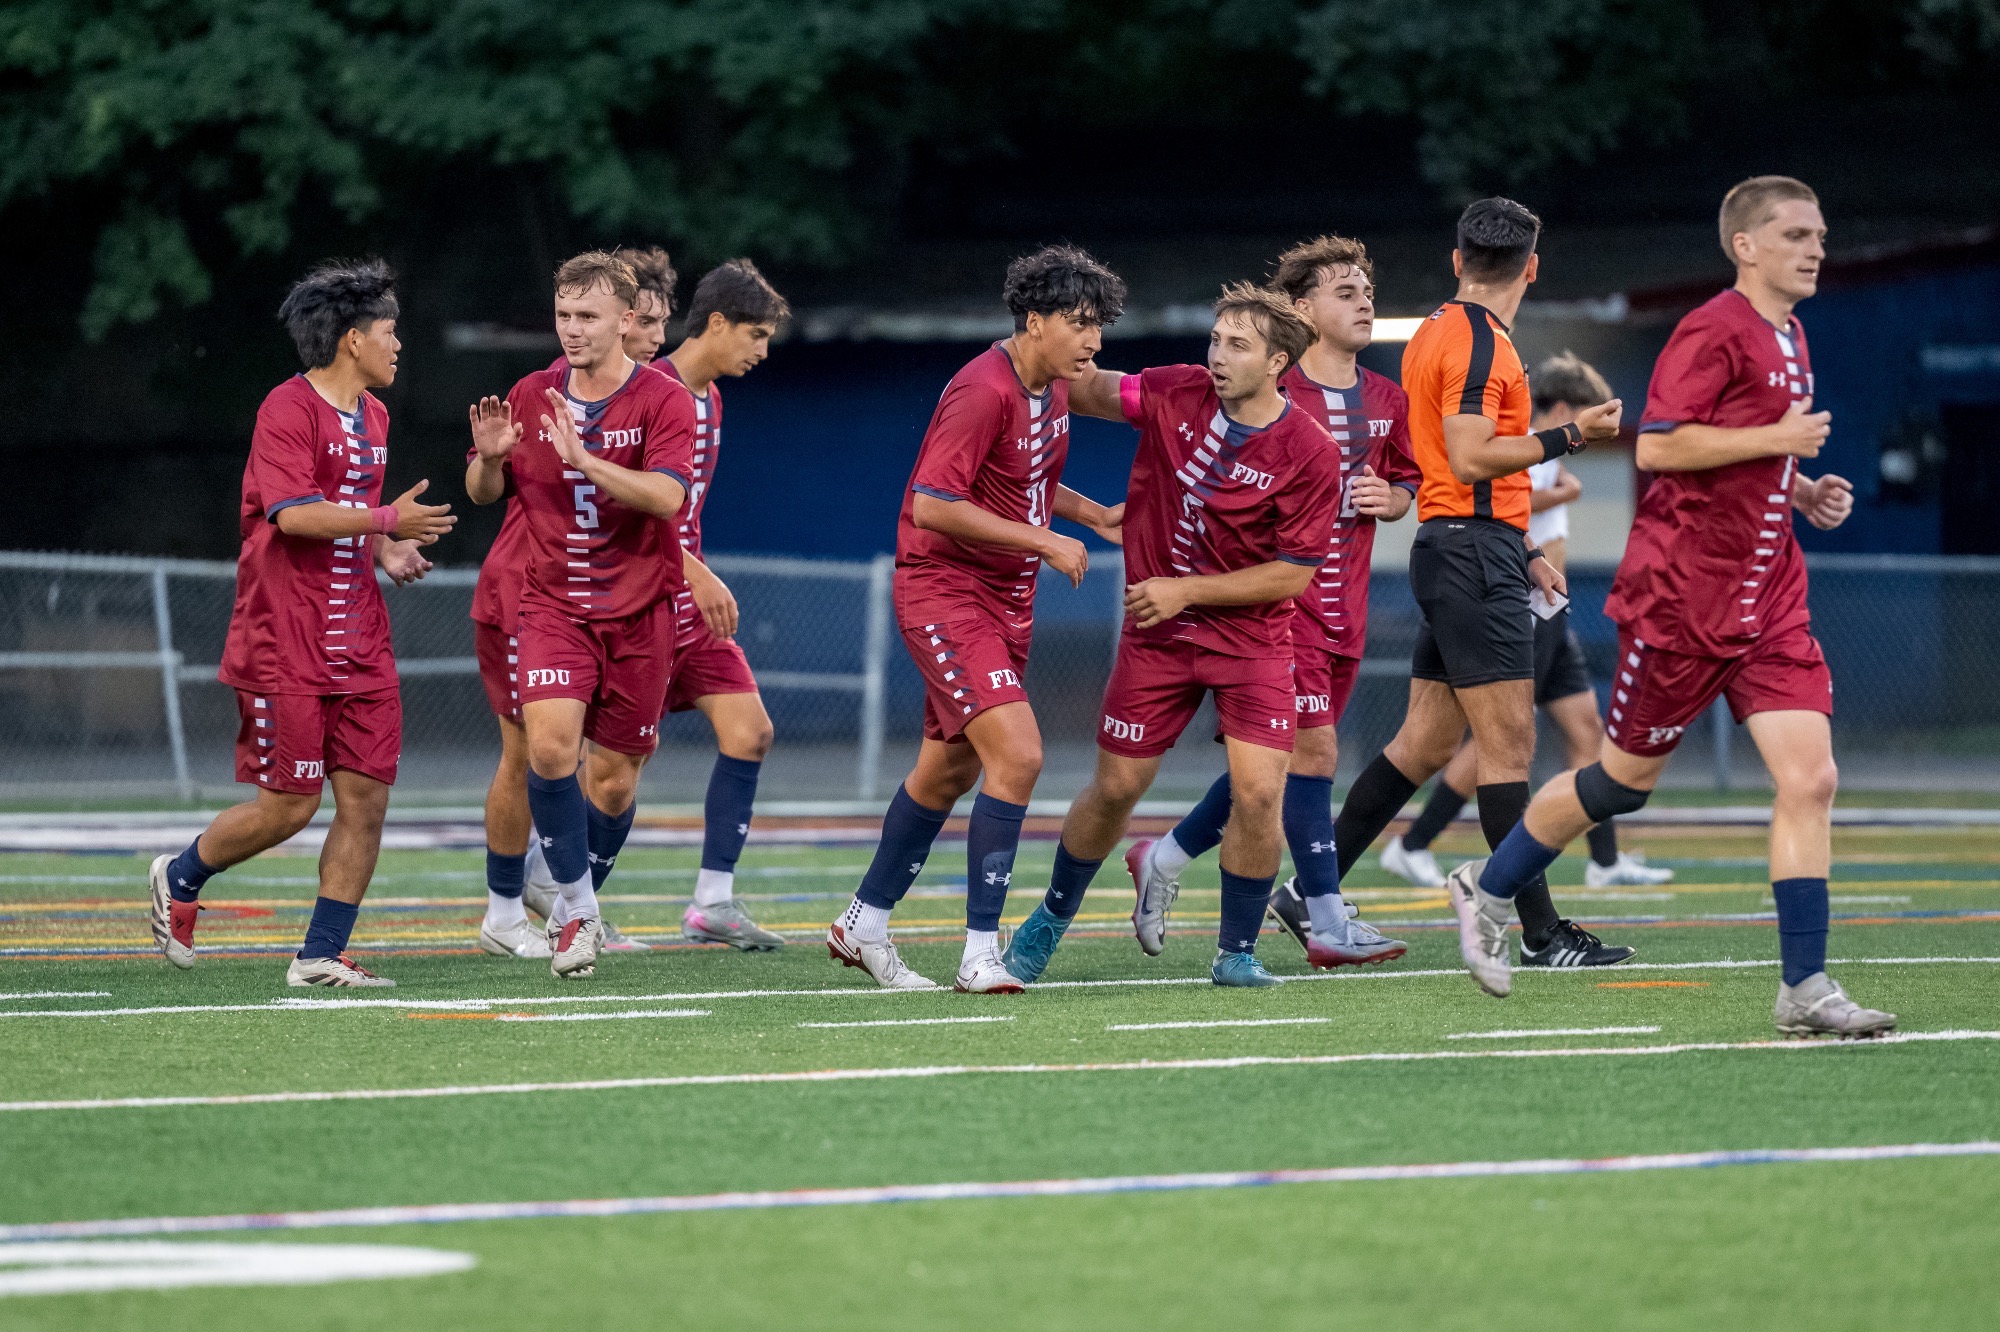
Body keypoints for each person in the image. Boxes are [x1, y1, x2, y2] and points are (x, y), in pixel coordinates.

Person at [1447, 177, 1895, 1038]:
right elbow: (1659, 445)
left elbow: (1744, 453)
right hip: (1685, 598)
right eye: (1796, 234)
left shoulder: (1792, 334)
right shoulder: (1711, 328)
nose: (1815, 248)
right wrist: (1780, 441)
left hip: (1771, 598)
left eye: (1820, 235)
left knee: (1812, 778)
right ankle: (1487, 887)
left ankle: (1804, 988)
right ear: (1745, 246)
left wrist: (1798, 489)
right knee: (1620, 783)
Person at [1320, 198, 1637, 973]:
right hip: (1470, 554)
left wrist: (1523, 547)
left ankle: (1311, 889)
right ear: (1532, 268)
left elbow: (1456, 467)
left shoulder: (1434, 329)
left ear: (1458, 260)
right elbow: (1468, 458)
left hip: (1465, 545)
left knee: (1426, 743)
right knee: (1508, 747)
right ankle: (1539, 933)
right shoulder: (1483, 343)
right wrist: (1574, 434)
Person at [1003, 283, 1342, 990]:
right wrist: (1019, 362)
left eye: (1237, 345)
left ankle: (1235, 953)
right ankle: (1049, 919)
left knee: (1259, 794)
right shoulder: (1174, 390)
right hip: (1156, 638)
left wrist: (1185, 590)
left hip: (1251, 643)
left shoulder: (1310, 451)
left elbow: (1292, 574)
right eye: (1215, 339)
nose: (1217, 355)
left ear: (1277, 362)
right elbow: (1086, 387)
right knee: (1116, 788)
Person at [1110, 235, 1420, 972]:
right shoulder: (1265, 393)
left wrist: (1396, 498)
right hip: (1280, 610)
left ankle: (1165, 855)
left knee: (1276, 770)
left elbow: (1406, 481)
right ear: (1301, 312)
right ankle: (1324, 916)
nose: (1365, 302)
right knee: (1314, 754)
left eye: (1368, 291)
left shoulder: (1387, 398)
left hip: (1346, 604)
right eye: (1345, 292)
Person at [826, 245, 1128, 993]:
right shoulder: (982, 388)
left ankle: (861, 923)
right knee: (1018, 757)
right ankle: (980, 954)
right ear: (1034, 320)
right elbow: (934, 504)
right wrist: (1045, 541)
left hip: (1004, 600)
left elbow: (1025, 480)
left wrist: (1093, 515)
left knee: (949, 769)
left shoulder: (1052, 387)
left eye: (1099, 325)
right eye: (1080, 322)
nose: (1093, 340)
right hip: (944, 591)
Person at [148, 259, 454, 986]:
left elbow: (348, 511)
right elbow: (295, 516)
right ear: (353, 340)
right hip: (285, 638)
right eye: (389, 332)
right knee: (288, 806)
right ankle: (180, 875)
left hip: (361, 639)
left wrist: (384, 546)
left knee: (367, 800)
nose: (398, 345)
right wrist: (386, 521)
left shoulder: (374, 416)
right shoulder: (286, 409)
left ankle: (320, 953)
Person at [466, 251, 695, 979]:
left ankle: (573, 903)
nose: (571, 329)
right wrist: (489, 461)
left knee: (617, 779)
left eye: (588, 316)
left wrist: (586, 460)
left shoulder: (663, 399)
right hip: (552, 605)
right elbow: (483, 492)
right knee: (548, 751)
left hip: (640, 611)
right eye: (564, 315)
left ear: (626, 320)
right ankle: (579, 912)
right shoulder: (530, 393)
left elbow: (668, 497)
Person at [1381, 353, 1674, 894]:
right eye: (1586, 413)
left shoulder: (1546, 448)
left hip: (1552, 609)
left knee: (1586, 729)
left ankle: (1605, 861)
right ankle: (1414, 843)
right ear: (1563, 409)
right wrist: (1563, 492)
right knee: (1497, 739)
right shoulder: (1529, 442)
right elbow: (1508, 502)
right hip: (1524, 606)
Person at [568, 258, 795, 951]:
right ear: (717, 323)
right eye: (756, 335)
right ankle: (572, 907)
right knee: (612, 776)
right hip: (639, 598)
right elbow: (621, 507)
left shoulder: (711, 400)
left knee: (750, 731)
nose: (762, 352)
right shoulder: (649, 390)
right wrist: (693, 571)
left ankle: (712, 904)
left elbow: (679, 511)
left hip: (686, 605)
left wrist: (692, 573)